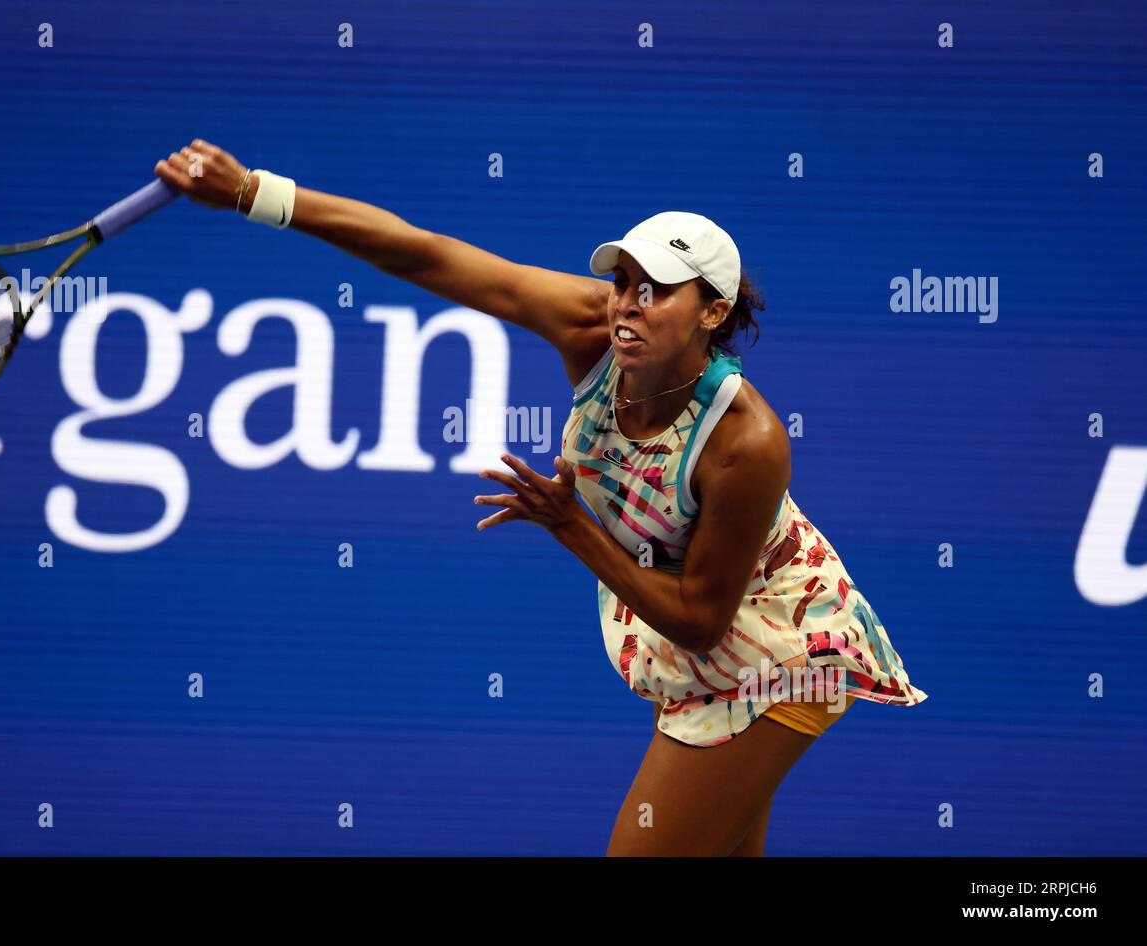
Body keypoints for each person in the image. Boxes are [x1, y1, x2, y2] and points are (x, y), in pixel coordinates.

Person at [154, 140, 929, 856]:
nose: (628, 302)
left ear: (713, 312)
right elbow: (426, 255)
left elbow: (699, 620)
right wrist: (255, 191)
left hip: (784, 650)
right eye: (623, 280)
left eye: (658, 290)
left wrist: (570, 526)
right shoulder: (591, 325)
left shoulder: (747, 444)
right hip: (707, 635)